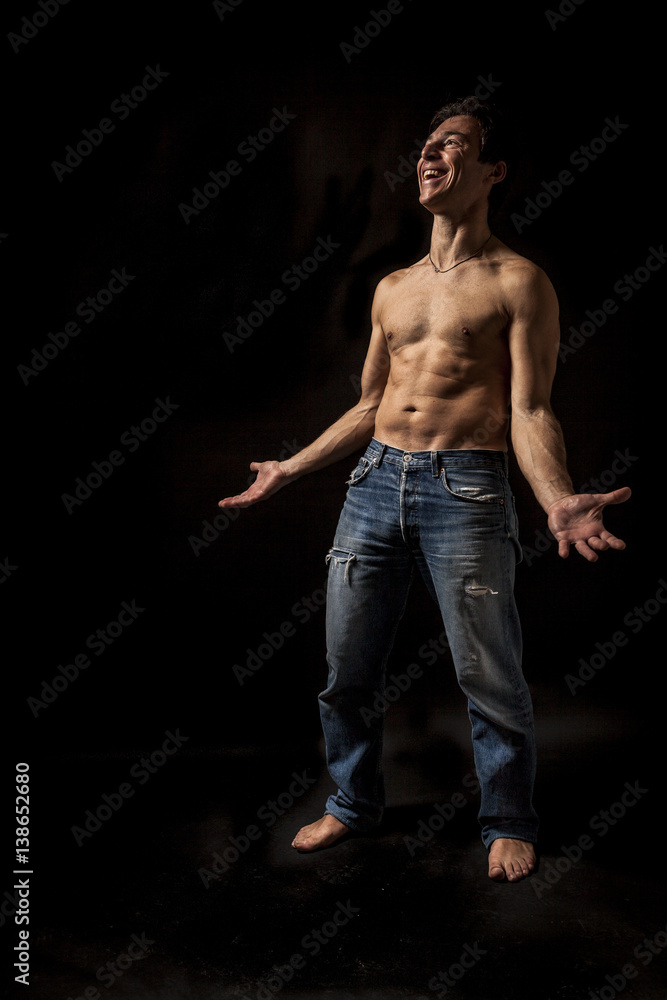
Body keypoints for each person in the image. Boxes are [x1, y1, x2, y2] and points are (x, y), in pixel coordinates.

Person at [219, 97, 630, 882]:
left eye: (452, 144)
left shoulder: (519, 282)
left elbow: (529, 407)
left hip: (465, 489)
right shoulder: (392, 287)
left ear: (492, 171)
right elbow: (368, 405)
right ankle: (352, 802)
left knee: (487, 672)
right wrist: (290, 468)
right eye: (425, 146)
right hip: (373, 483)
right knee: (346, 670)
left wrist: (555, 498)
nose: (429, 155)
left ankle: (507, 819)